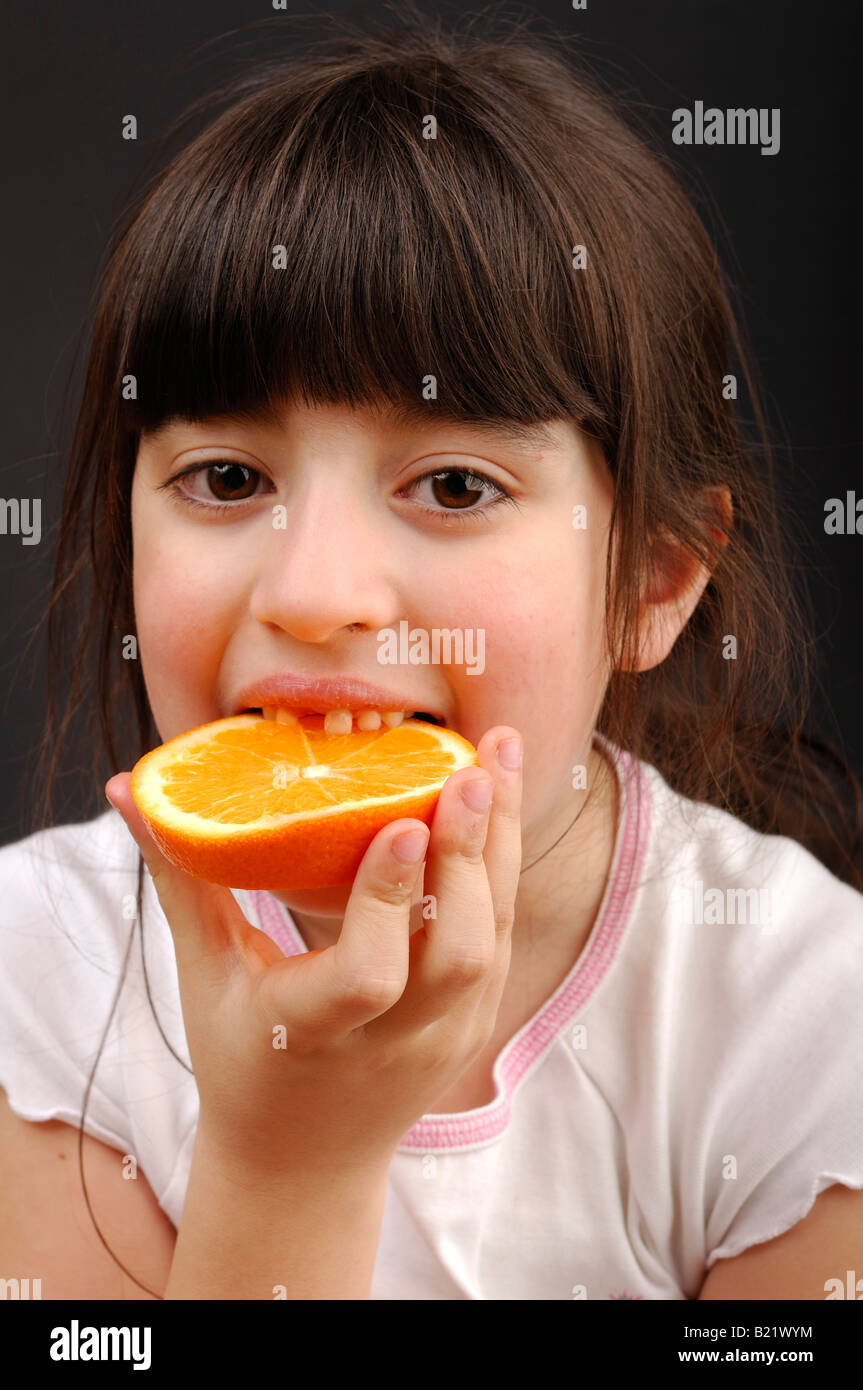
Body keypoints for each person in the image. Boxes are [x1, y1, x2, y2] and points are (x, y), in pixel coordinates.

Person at [2, 14, 862, 1301]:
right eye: (227, 477)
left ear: (653, 581)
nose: (314, 594)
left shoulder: (806, 1017)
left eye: (454, 483)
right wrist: (286, 1163)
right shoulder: (38, 976)